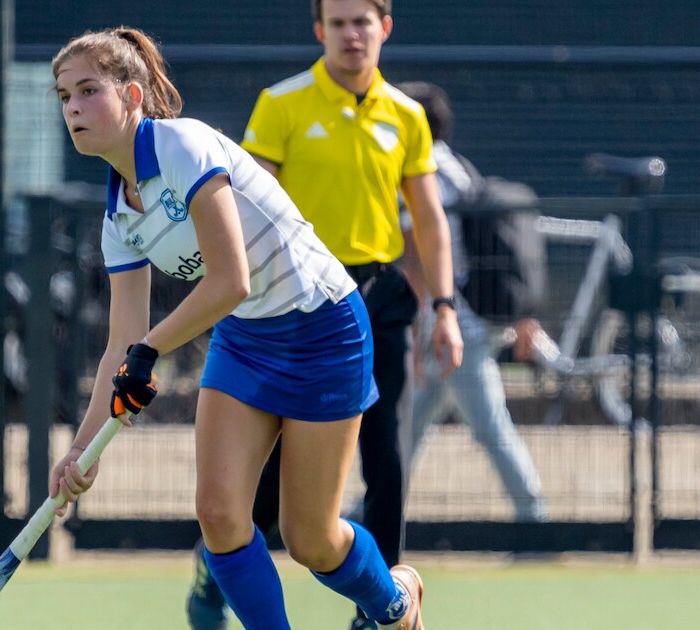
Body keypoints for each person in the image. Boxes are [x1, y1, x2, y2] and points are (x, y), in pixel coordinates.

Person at [49, 26, 424, 630]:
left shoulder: (183, 147)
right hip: (246, 338)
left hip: (323, 327)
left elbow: (230, 281)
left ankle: (395, 602)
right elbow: (121, 345)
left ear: (134, 96)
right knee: (220, 515)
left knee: (312, 540)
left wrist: (149, 351)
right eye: (64, 96)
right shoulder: (119, 217)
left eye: (89, 90)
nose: (73, 108)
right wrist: (79, 451)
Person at [187, 1, 463, 628]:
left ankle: (384, 604)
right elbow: (243, 214)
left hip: (374, 303)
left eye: (362, 21)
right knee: (261, 489)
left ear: (384, 29)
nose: (350, 34)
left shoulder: (407, 116)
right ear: (319, 31)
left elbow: (429, 220)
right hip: (291, 304)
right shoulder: (281, 104)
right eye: (337, 23)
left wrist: (443, 307)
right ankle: (214, 567)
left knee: (387, 455)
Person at [395, 80, 547, 523]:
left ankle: (535, 518)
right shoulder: (457, 166)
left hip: (455, 328)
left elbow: (419, 258)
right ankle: (371, 512)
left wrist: (417, 331)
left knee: (490, 427)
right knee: (408, 428)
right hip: (461, 324)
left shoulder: (426, 174)